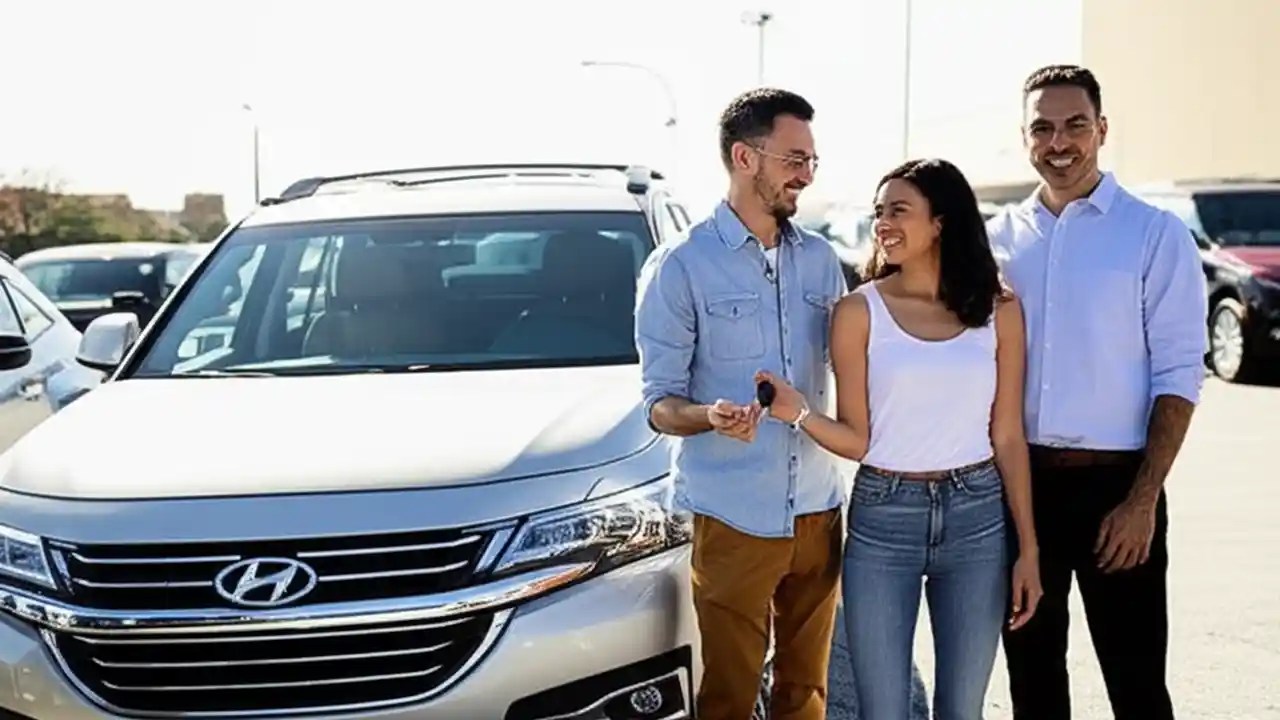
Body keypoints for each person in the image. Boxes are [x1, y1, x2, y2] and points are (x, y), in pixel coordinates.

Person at [757, 157, 1044, 720]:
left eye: (900, 210)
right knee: (883, 710)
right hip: (885, 519)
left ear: (941, 221)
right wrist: (798, 414)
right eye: (879, 211)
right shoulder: (857, 312)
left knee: (962, 710)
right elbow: (858, 438)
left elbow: (1008, 435)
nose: (884, 222)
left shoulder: (999, 309)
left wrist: (1028, 548)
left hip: (977, 517)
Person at [987, 64, 1207, 720]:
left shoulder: (1152, 233)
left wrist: (1143, 501)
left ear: (1102, 129)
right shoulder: (996, 240)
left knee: (1138, 688)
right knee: (1033, 685)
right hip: (1023, 493)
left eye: (1075, 125)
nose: (1060, 142)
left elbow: (1178, 375)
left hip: (1120, 489)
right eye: (1043, 127)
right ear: (1024, 136)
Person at [634, 87, 848, 720]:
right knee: (727, 697)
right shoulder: (680, 266)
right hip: (732, 517)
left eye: (811, 160)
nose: (805, 175)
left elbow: (856, 363)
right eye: (793, 158)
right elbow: (658, 403)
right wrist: (708, 416)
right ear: (743, 157)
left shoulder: (821, 260)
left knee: (806, 693)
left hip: (817, 509)